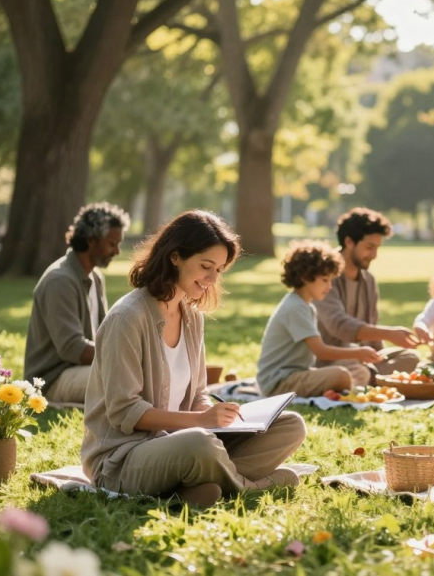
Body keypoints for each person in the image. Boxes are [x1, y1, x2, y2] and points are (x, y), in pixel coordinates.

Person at [81, 210, 307, 508]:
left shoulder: (191, 318)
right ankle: (248, 487)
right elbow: (125, 412)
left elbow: (198, 395)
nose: (213, 279)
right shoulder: (127, 318)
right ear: (175, 257)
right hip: (123, 459)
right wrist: (200, 422)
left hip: (184, 441)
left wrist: (224, 420)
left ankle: (197, 488)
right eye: (206, 266)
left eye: (220, 270)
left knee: (291, 425)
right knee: (200, 444)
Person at [25, 203, 129, 404]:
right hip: (52, 379)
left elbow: (103, 335)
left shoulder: (96, 278)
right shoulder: (60, 281)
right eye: (112, 243)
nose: (117, 251)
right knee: (123, 379)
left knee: (136, 375)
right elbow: (72, 348)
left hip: (83, 370)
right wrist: (120, 357)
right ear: (91, 240)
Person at [257, 240, 383, 397]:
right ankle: (342, 392)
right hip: (278, 383)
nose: (329, 287)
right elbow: (320, 351)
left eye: (331, 280)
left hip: (299, 374)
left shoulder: (306, 306)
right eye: (325, 280)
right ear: (305, 277)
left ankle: (337, 392)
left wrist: (356, 356)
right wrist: (359, 352)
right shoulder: (295, 307)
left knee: (360, 371)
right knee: (340, 375)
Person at [313, 208, 420, 386]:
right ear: (349, 242)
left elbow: (372, 329)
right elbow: (338, 324)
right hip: (332, 357)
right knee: (350, 367)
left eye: (377, 248)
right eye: (369, 247)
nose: (374, 255)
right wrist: (388, 333)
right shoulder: (324, 277)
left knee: (411, 358)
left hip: (362, 357)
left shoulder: (368, 280)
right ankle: (372, 378)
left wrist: (378, 357)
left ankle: (370, 377)